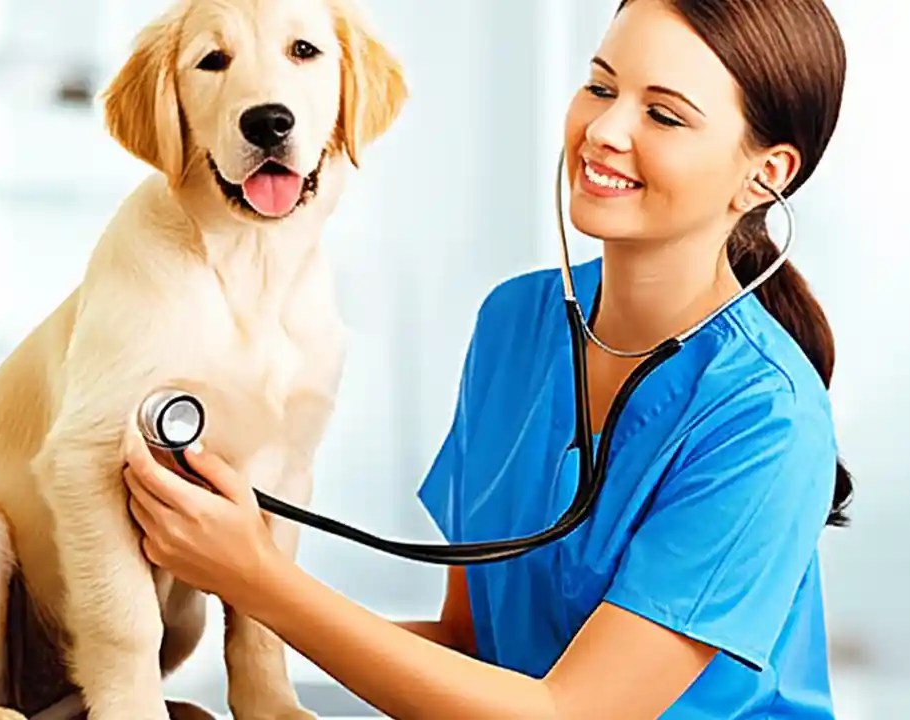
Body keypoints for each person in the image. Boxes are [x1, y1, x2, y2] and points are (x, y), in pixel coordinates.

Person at [122, 0, 853, 717]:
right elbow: (469, 648)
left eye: (662, 115)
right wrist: (246, 662)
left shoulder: (767, 418)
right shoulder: (516, 324)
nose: (603, 130)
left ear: (766, 175)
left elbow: (569, 712)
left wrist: (255, 578)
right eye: (600, 86)